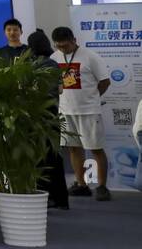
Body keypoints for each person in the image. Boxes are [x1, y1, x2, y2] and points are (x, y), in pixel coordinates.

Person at [50, 26, 112, 200]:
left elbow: (105, 81)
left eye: (66, 46)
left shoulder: (90, 56)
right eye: (59, 46)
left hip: (89, 111)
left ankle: (102, 186)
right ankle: (81, 184)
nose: (63, 49)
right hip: (65, 111)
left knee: (95, 148)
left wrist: (93, 97)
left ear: (74, 40)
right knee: (73, 148)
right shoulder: (54, 58)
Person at [26, 29, 70, 210]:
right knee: (54, 156)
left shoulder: (29, 65)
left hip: (35, 115)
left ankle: (43, 196)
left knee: (38, 158)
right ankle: (61, 199)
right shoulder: (53, 64)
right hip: (52, 114)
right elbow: (60, 89)